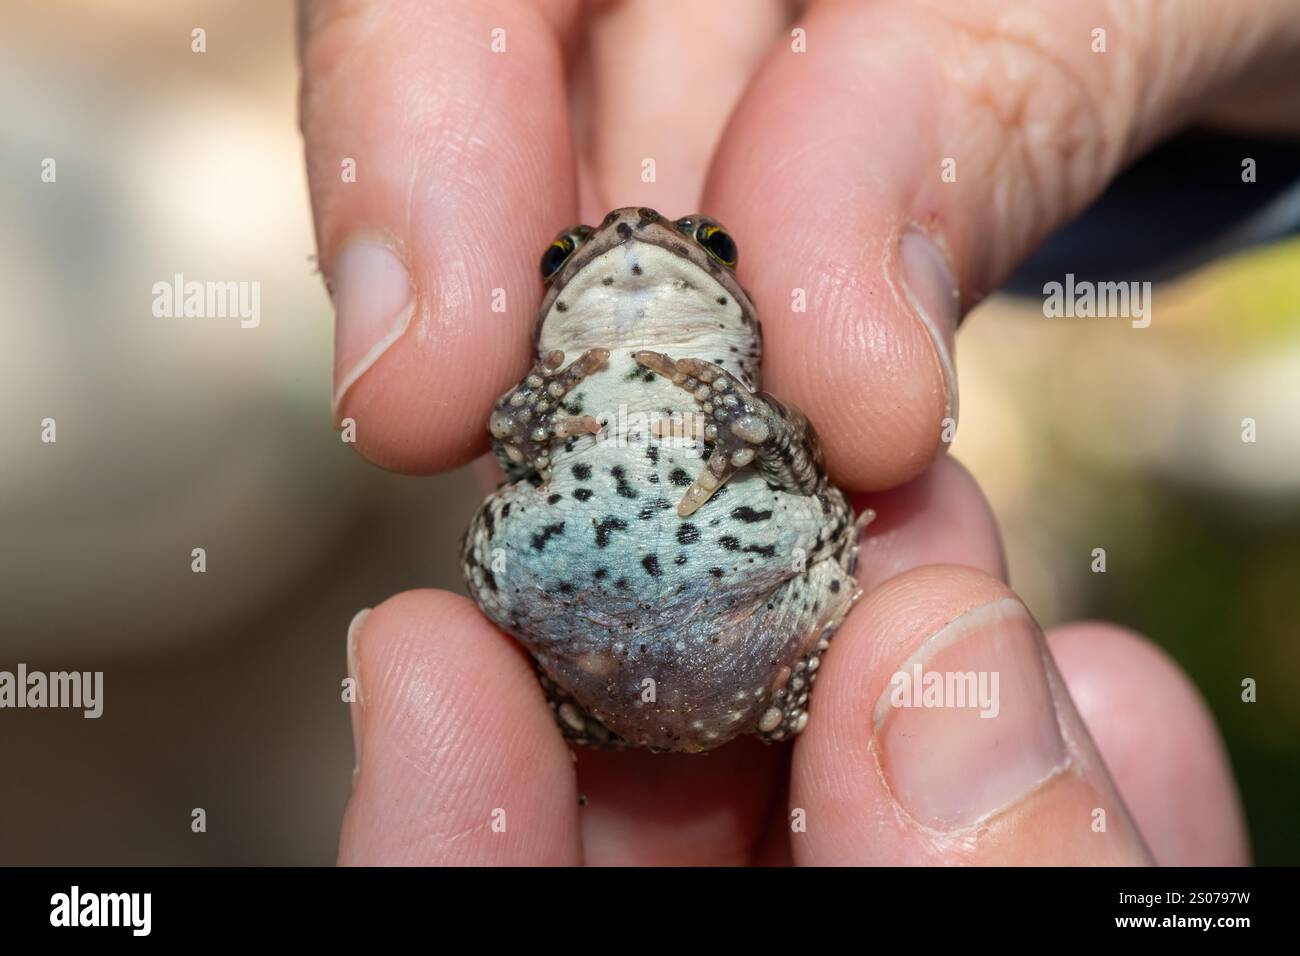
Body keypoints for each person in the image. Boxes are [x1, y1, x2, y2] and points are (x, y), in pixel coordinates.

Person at [299, 0, 1298, 865]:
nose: (633, 241)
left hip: (762, 634)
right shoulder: (546, 382)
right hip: (581, 658)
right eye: (573, 250)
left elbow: (786, 449)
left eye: (706, 245)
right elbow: (514, 437)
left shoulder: (747, 390)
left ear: (733, 295)